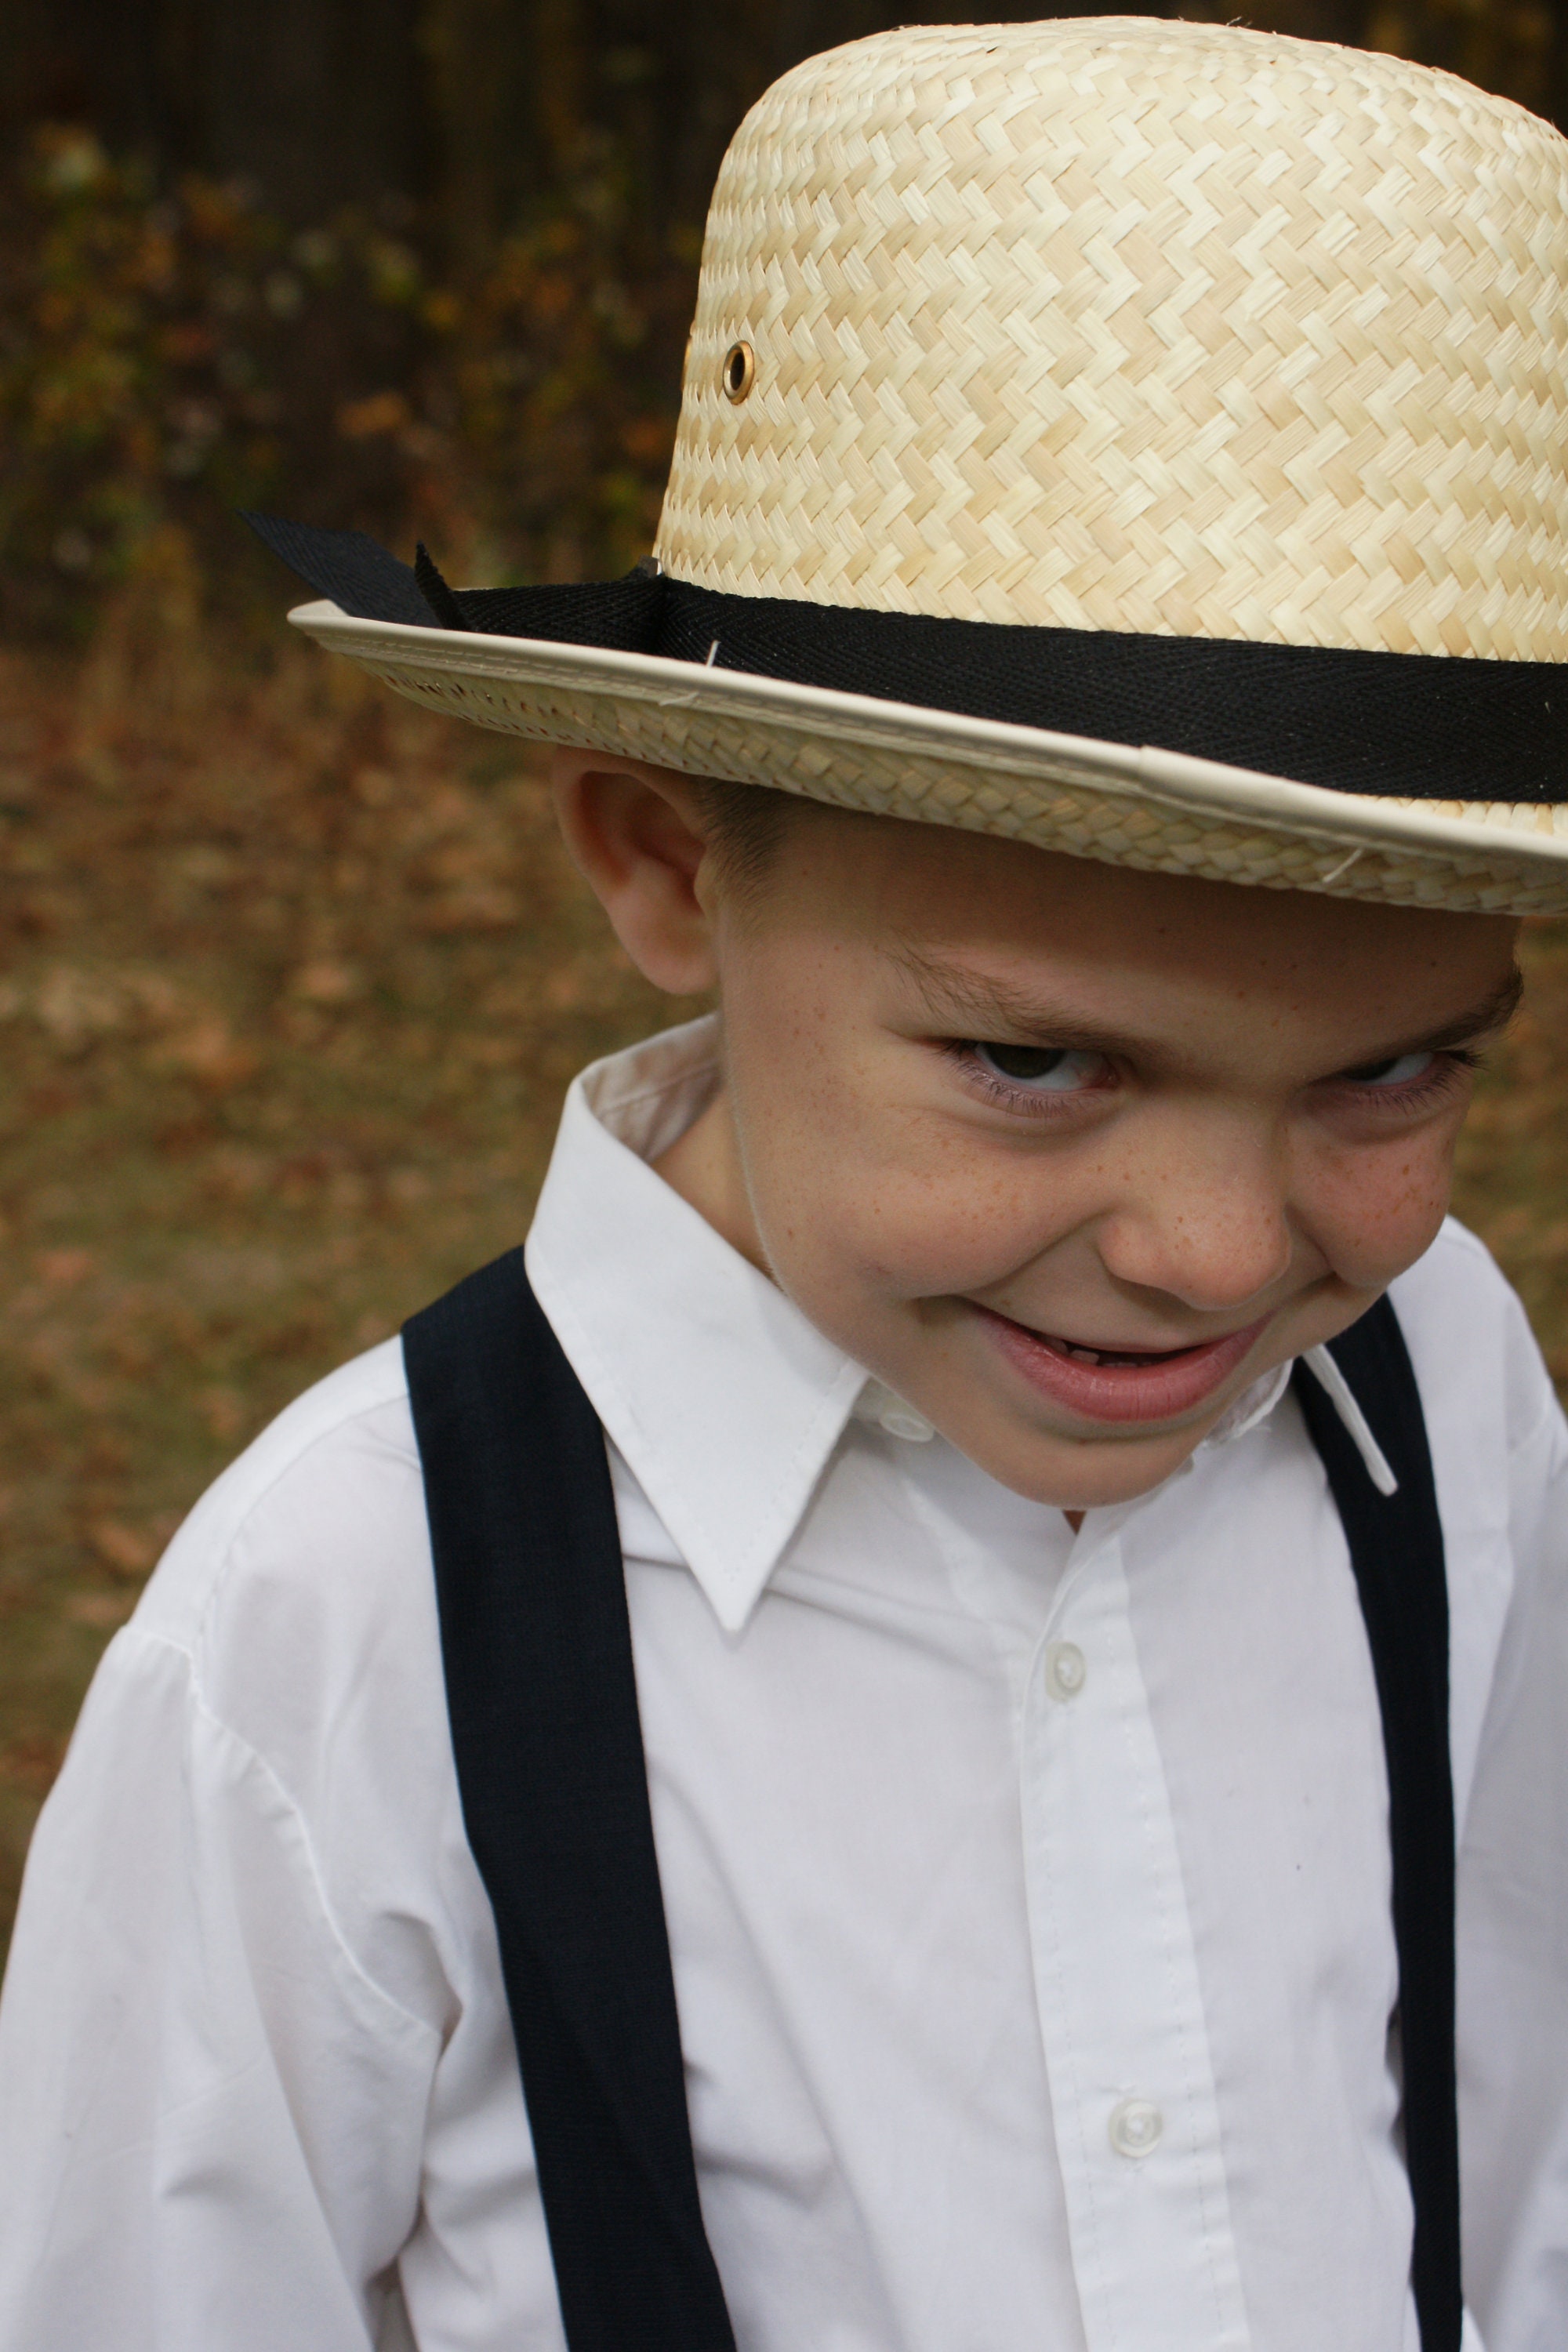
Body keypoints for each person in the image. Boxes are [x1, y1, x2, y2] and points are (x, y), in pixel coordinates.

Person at [3, 17, 1568, 2350]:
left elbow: (1514, 2154)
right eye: (1038, 1061)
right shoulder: (335, 1635)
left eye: (1393, 1074)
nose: (1221, 1255)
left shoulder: (1446, 1404)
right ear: (658, 861)